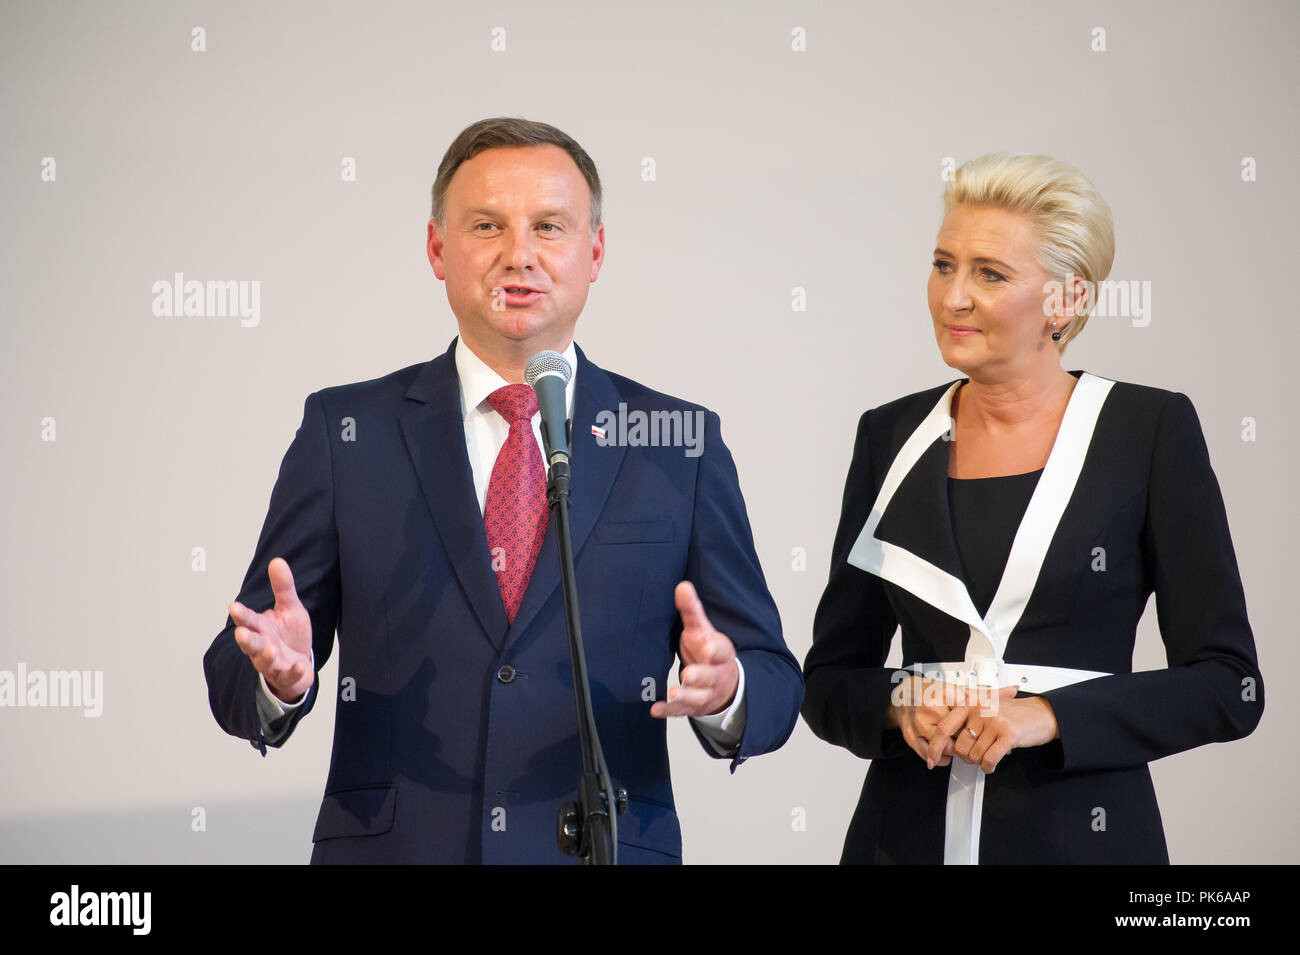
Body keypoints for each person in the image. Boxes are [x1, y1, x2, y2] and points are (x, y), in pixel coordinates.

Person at [202, 117, 803, 864]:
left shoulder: (678, 441)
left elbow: (775, 680)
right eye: (487, 225)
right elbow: (233, 675)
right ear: (436, 248)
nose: (519, 255)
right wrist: (278, 680)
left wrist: (728, 688)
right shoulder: (344, 432)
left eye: (549, 226)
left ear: (596, 252)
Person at [801, 152, 1264, 864]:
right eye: (943, 263)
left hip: (1083, 836)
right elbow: (829, 681)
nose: (953, 297)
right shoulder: (888, 435)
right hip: (902, 837)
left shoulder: (1148, 431)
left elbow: (1230, 684)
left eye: (990, 273)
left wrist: (1048, 715)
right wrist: (899, 704)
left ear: (1067, 301)